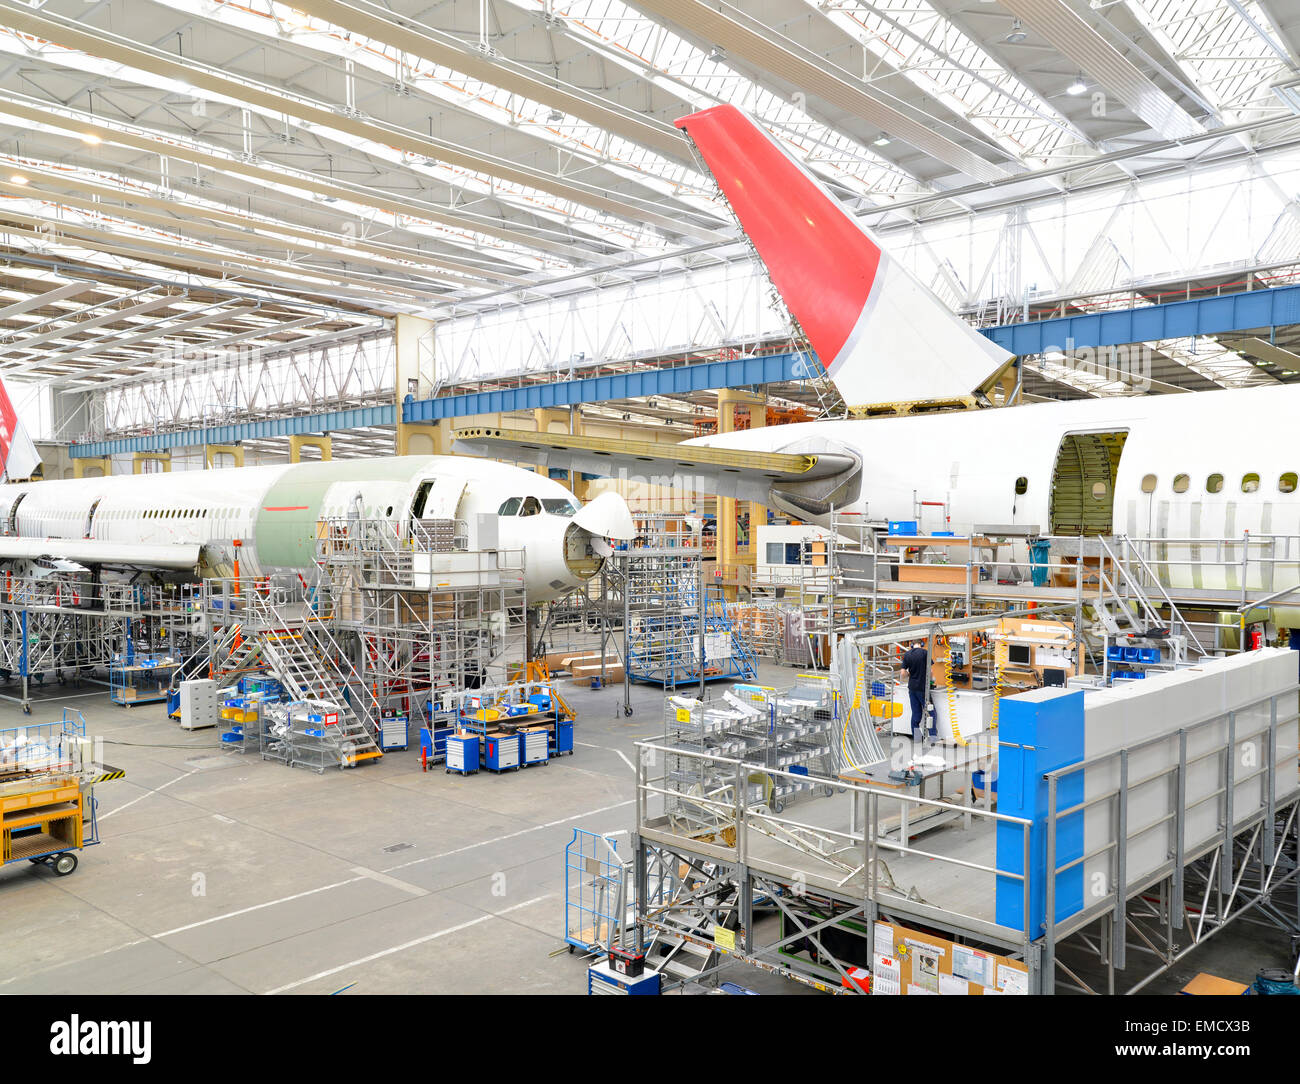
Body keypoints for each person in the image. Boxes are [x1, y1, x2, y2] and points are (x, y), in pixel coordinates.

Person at [899, 639, 932, 743]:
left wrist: (910, 674)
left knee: (916, 714)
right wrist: (932, 680)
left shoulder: (907, 654)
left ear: (911, 645)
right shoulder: (925, 653)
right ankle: (933, 736)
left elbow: (903, 673)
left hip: (912, 688)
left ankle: (917, 738)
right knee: (931, 712)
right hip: (923, 688)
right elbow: (930, 671)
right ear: (922, 644)